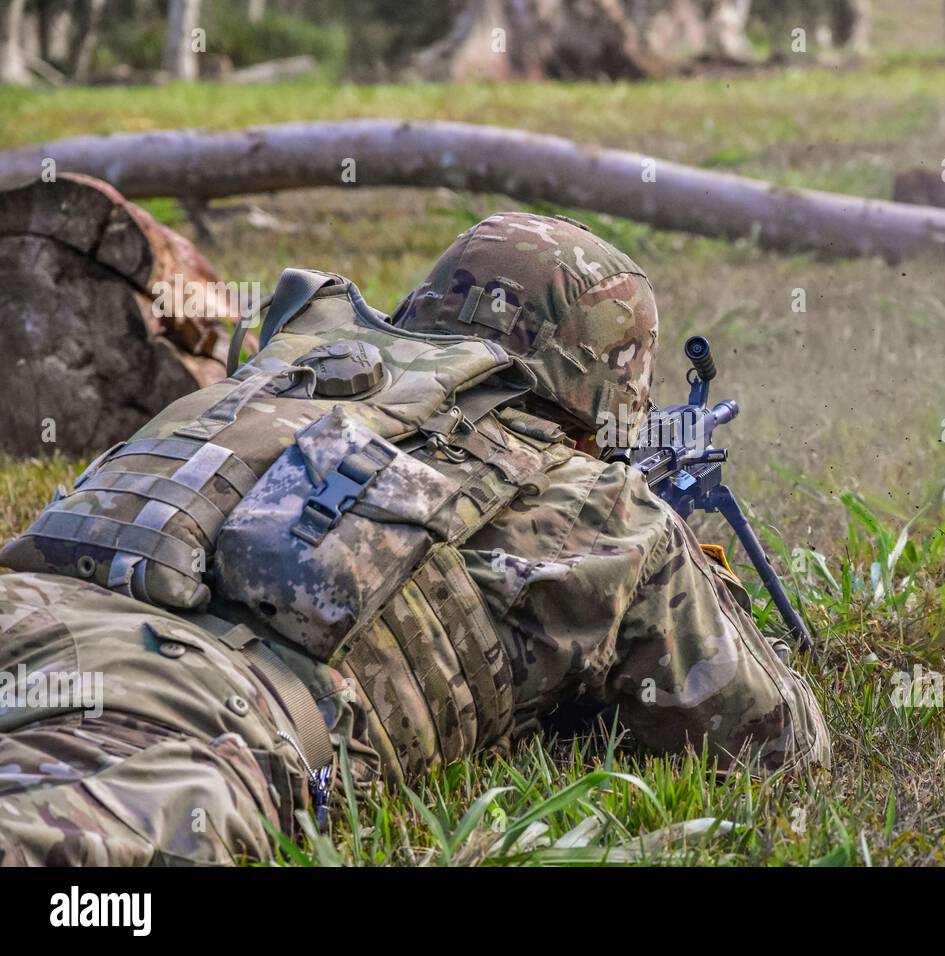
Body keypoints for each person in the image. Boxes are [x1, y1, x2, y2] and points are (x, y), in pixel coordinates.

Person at [0, 212, 828, 865]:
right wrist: (682, 561)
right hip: (193, 708)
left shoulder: (291, 373)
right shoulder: (602, 504)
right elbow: (770, 742)